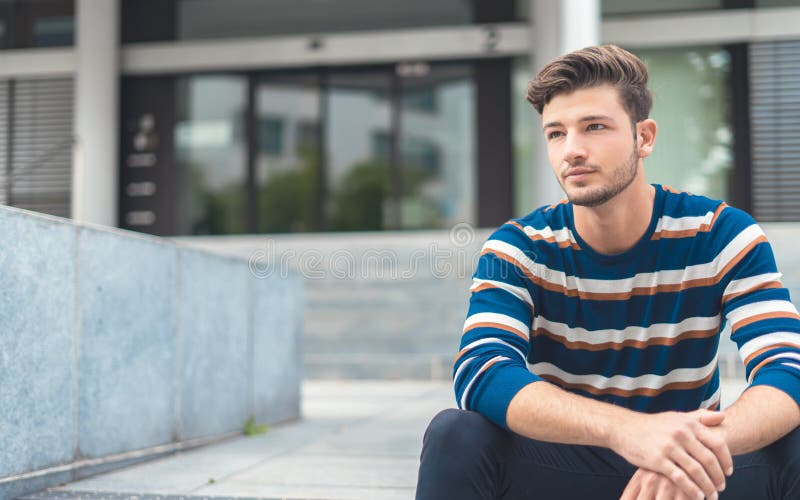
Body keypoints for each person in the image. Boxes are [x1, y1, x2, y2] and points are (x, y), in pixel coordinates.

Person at [415, 45, 800, 500]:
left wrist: (686, 451)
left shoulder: (720, 233)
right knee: (456, 434)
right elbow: (481, 370)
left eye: (594, 127)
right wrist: (628, 432)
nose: (572, 150)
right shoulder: (518, 247)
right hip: (565, 469)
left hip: (692, 483)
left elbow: (787, 366)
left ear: (644, 137)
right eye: (556, 133)